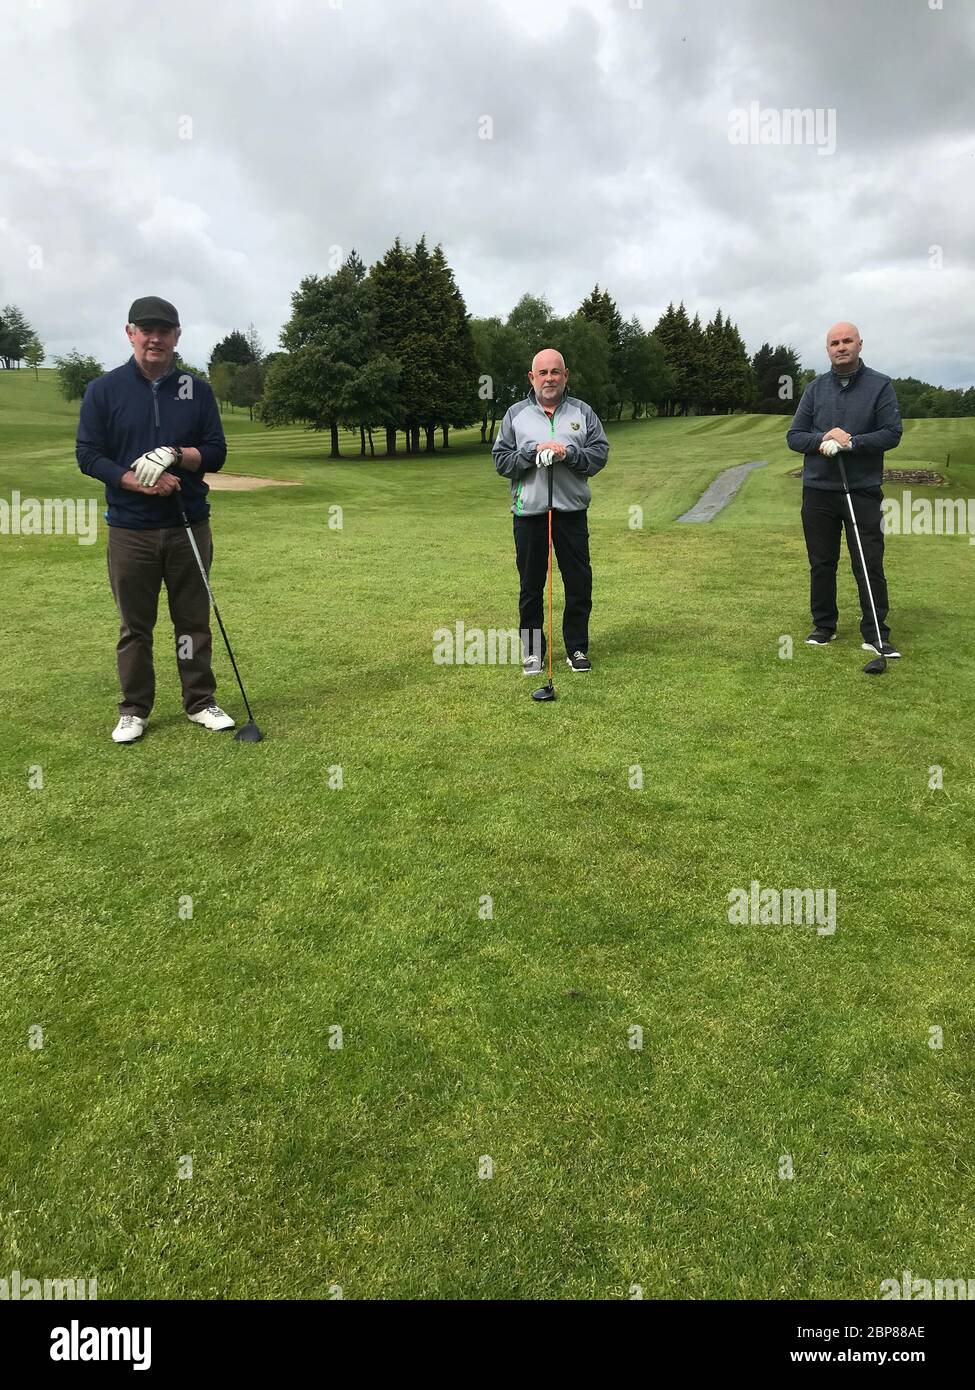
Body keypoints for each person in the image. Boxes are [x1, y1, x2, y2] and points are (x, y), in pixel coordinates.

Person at [76, 296, 234, 742]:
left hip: (188, 525)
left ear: (177, 337)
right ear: (130, 333)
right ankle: (134, 709)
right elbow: (88, 455)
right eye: (146, 329)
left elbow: (217, 453)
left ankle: (200, 701)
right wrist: (133, 480)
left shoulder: (196, 390)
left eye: (164, 330)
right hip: (130, 529)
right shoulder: (104, 390)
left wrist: (178, 455)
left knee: (192, 622)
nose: (155, 338)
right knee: (135, 627)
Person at [786, 322, 903, 657]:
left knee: (868, 562)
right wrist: (823, 439)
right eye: (834, 342)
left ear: (859, 345)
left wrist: (851, 442)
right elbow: (795, 436)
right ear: (827, 350)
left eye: (847, 341)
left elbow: (891, 433)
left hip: (862, 490)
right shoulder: (815, 389)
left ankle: (876, 633)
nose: (841, 347)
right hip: (819, 491)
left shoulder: (880, 386)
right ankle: (824, 626)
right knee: (822, 562)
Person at [493, 348, 609, 675]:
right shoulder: (515, 414)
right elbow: (501, 461)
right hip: (529, 513)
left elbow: (599, 454)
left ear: (566, 375)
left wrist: (567, 454)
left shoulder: (582, 412)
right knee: (531, 586)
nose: (549, 378)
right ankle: (533, 652)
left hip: (571, 512)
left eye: (555, 372)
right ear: (532, 378)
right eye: (542, 373)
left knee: (578, 582)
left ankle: (576, 647)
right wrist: (533, 453)